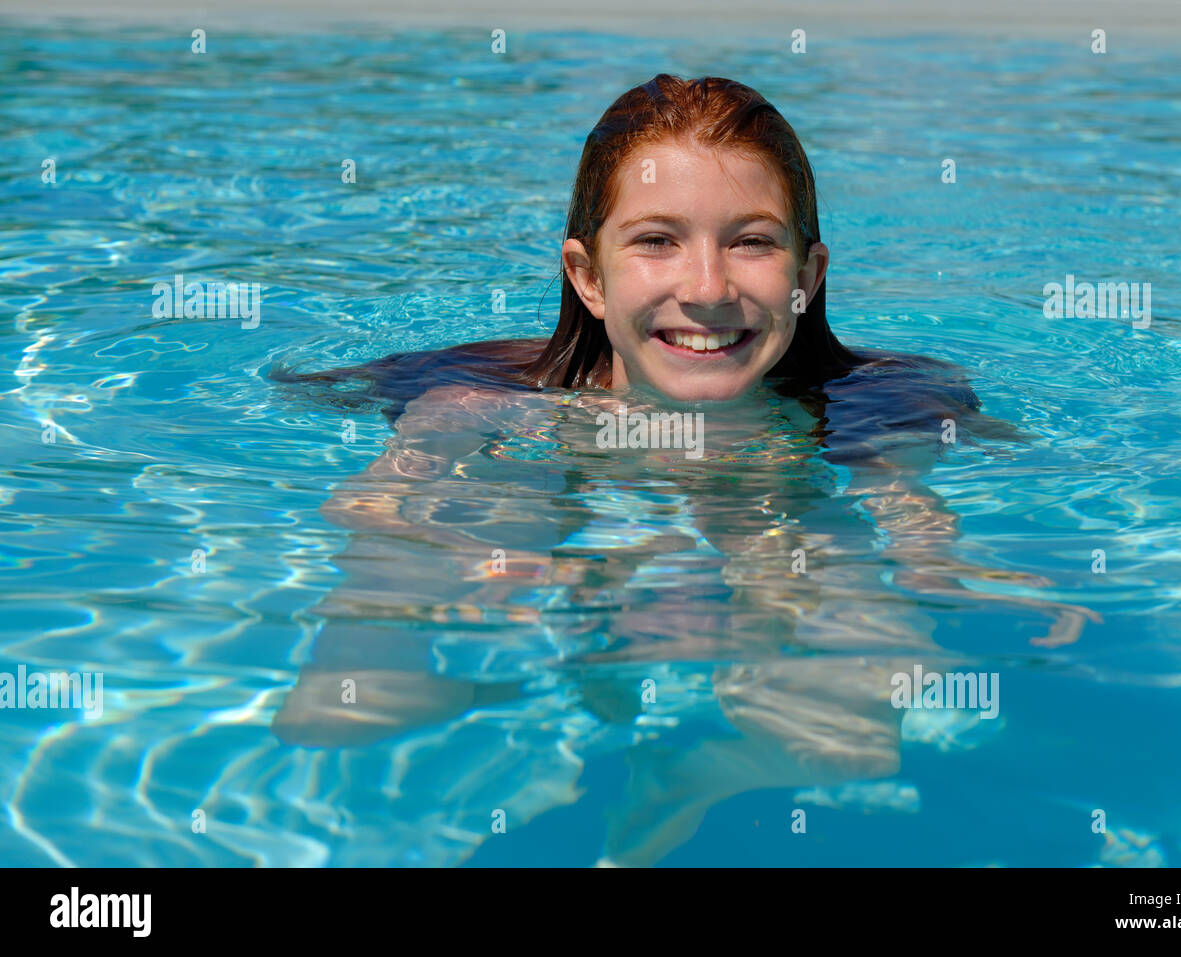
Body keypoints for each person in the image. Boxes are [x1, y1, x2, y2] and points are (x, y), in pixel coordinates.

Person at [270, 74, 1100, 865]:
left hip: (770, 496)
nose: (707, 287)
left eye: (751, 243)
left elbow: (909, 508)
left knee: (852, 736)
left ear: (807, 277)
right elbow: (367, 511)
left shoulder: (867, 405)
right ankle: (498, 703)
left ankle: (696, 772)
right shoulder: (479, 402)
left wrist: (948, 564)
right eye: (658, 241)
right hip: (557, 479)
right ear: (588, 277)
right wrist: (446, 556)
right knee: (341, 708)